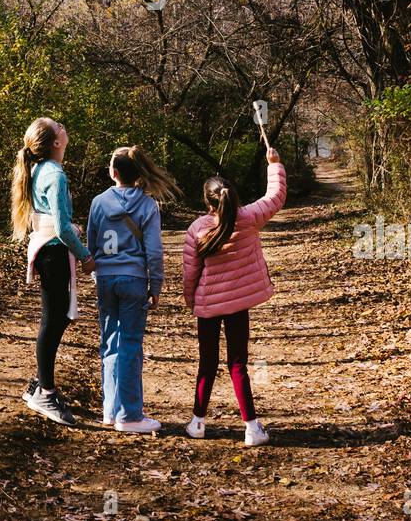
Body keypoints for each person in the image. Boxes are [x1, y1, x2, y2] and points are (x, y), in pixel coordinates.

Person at [182, 147, 286, 446]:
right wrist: (274, 165)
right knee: (237, 364)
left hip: (208, 307)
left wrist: (192, 302)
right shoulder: (250, 217)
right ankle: (252, 427)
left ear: (207, 201)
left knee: (207, 363)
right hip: (238, 306)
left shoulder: (197, 230)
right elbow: (275, 197)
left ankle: (197, 422)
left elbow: (191, 274)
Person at [87, 145, 180, 434]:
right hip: (134, 280)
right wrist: (157, 285)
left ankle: (110, 409)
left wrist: (98, 273)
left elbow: (92, 244)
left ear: (113, 173)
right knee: (129, 345)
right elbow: (154, 251)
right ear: (138, 173)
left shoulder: (98, 202)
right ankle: (129, 415)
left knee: (109, 344)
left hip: (105, 278)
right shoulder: (147, 205)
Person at [10, 117, 91, 426]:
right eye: (58, 126)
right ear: (56, 142)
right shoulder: (54, 174)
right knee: (53, 318)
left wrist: (72, 228)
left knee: (56, 317)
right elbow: (60, 227)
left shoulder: (42, 169)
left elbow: (54, 217)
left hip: (50, 250)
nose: (64, 126)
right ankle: (45, 391)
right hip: (54, 252)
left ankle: (40, 382)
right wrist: (85, 256)